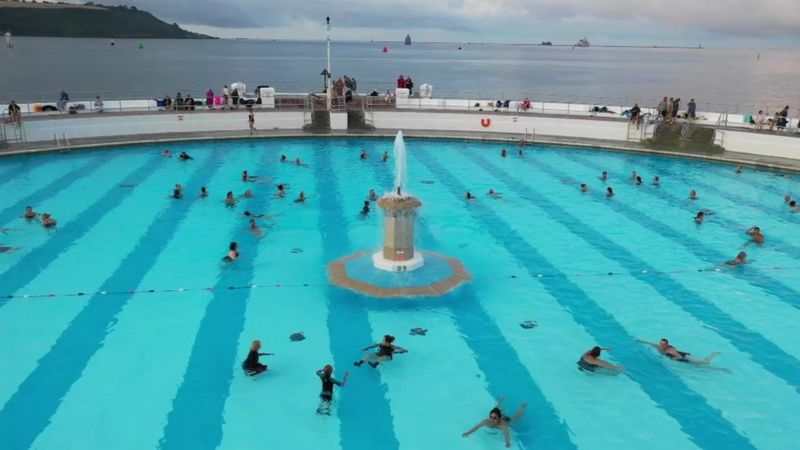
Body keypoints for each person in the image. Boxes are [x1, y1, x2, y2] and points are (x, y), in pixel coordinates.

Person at [462, 396, 526, 448]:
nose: (492, 419)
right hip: (499, 415)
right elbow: (476, 427)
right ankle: (500, 401)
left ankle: (522, 407)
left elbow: (506, 435)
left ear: (499, 418)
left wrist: (507, 442)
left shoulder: (503, 425)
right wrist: (468, 433)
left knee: (516, 418)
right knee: (495, 409)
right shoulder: (486, 421)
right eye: (491, 417)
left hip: (506, 420)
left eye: (494, 418)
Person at [636, 338, 727, 370]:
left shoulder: (671, 350)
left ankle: (713, 354)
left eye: (663, 344)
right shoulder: (658, 347)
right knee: (699, 367)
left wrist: (673, 359)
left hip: (684, 357)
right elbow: (650, 343)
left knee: (705, 363)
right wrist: (640, 341)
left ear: (667, 345)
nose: (662, 345)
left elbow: (679, 357)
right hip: (682, 358)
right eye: (661, 343)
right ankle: (720, 369)